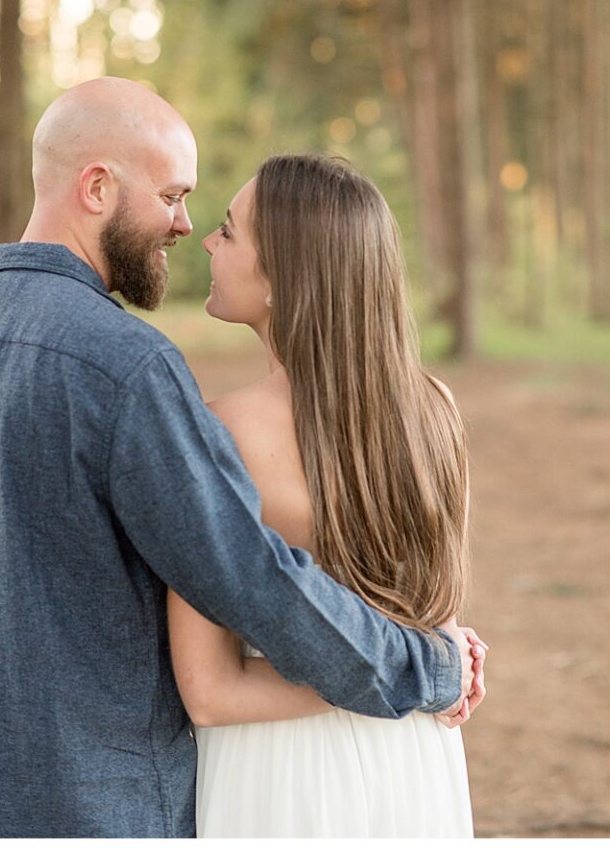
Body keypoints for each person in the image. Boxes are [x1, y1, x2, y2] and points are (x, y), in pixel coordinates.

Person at [0, 78, 484, 837]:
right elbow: (252, 580)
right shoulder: (126, 366)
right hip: (99, 804)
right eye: (174, 196)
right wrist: (430, 669)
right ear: (97, 188)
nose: (187, 227)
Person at [171, 154, 475, 835]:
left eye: (228, 231)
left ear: (282, 278)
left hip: (280, 771)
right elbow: (433, 618)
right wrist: (422, 669)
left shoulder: (220, 432)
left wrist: (412, 665)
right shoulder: (434, 410)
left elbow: (211, 694)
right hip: (416, 753)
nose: (208, 243)